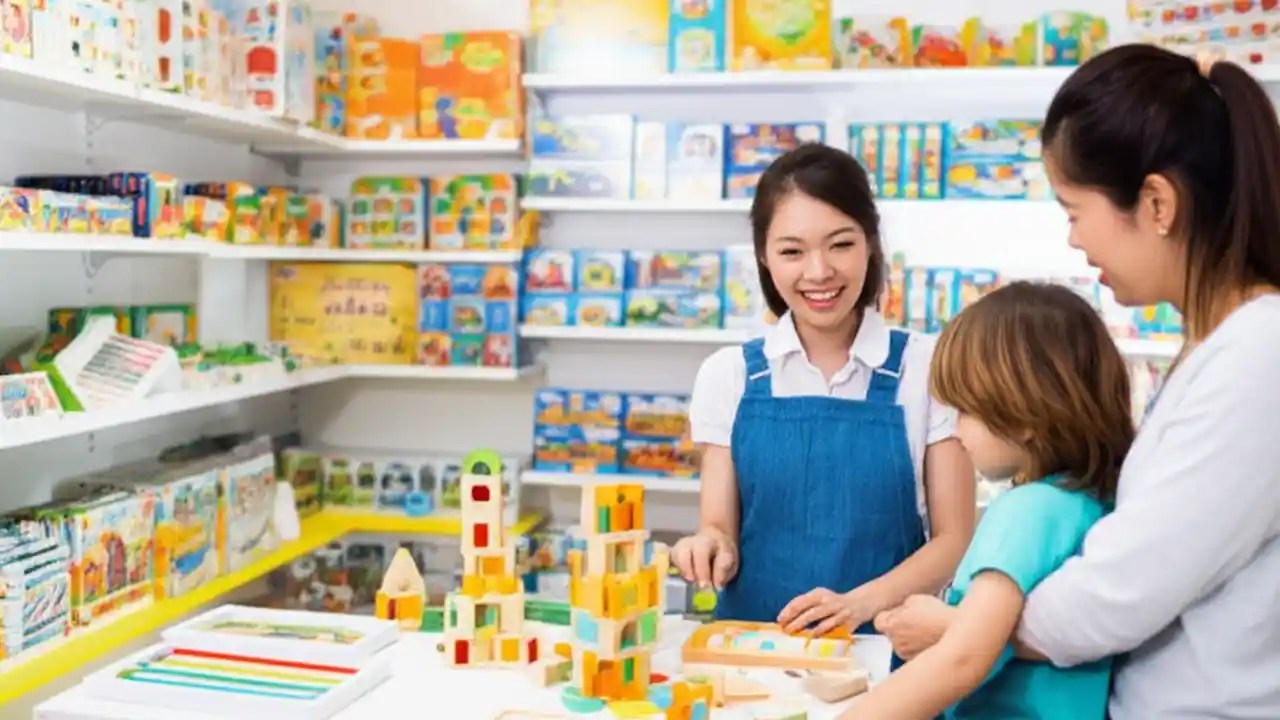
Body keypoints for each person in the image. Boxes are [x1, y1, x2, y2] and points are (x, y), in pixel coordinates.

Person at [874, 44, 1280, 718]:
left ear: (1156, 203)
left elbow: (1119, 595)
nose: (1073, 241)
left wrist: (968, 632)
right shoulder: (1216, 344)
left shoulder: (1257, 356)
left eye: (1073, 211)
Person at [671, 143, 975, 636]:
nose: (818, 272)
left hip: (886, 651)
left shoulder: (927, 368)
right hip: (751, 652)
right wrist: (709, 547)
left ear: (871, 242)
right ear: (764, 257)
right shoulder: (728, 374)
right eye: (792, 251)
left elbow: (954, 540)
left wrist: (857, 606)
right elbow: (719, 527)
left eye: (840, 244)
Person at [843, 282, 1133, 720]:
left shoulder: (1027, 510)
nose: (956, 430)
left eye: (965, 411)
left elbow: (964, 658)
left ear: (1025, 416)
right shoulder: (1090, 502)